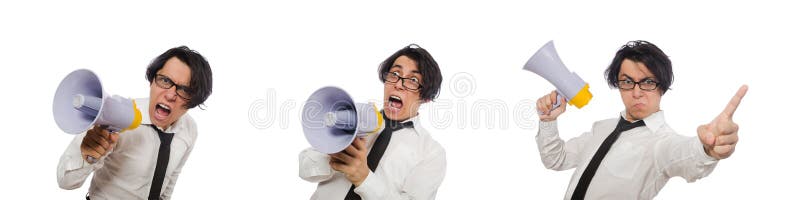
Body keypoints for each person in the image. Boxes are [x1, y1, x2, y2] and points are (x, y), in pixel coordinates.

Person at [535, 40, 748, 199]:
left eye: (647, 82)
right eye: (627, 81)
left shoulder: (661, 143)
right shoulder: (601, 129)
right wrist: (548, 120)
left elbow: (687, 156)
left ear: (662, 87)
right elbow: (556, 159)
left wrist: (707, 149)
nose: (636, 93)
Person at [57, 46, 213, 200]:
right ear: (152, 81)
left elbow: (170, 181)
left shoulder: (189, 130)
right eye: (165, 80)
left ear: (193, 101)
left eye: (184, 90)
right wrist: (88, 157)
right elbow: (65, 181)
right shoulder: (117, 116)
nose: (171, 95)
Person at [299, 44, 446, 200]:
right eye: (395, 73)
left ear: (426, 97)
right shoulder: (353, 118)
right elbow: (303, 169)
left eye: (413, 80)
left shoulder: (432, 153)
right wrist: (331, 157)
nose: (398, 84)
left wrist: (363, 178)